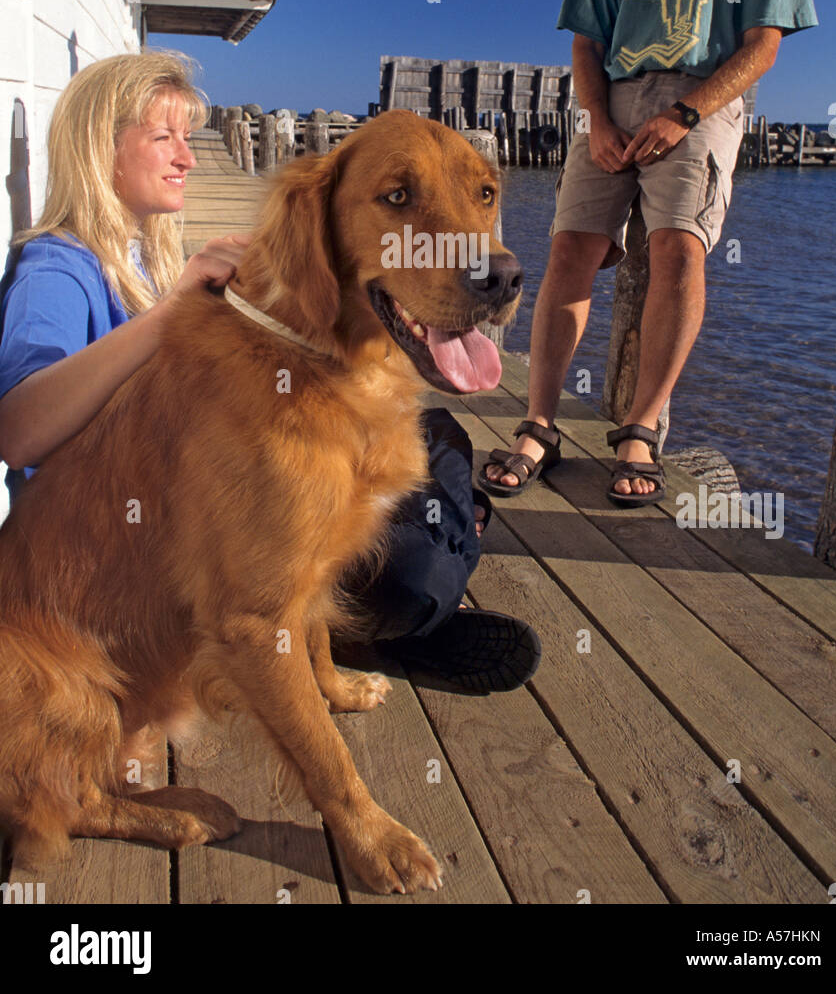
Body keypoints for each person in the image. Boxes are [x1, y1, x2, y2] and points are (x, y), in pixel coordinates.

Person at [0, 51, 539, 693]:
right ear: (99, 150)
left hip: (197, 513)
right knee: (411, 563)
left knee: (413, 443)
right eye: (163, 137)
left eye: (187, 136)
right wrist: (174, 307)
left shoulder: (138, 255)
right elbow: (19, 429)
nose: (189, 156)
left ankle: (391, 575)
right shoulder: (56, 269)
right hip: (126, 553)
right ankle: (436, 568)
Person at [480, 0, 817, 505]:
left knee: (676, 249)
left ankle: (640, 428)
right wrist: (596, 120)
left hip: (703, 95)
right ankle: (537, 422)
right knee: (570, 248)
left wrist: (685, 114)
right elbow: (585, 46)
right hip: (615, 97)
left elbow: (762, 45)